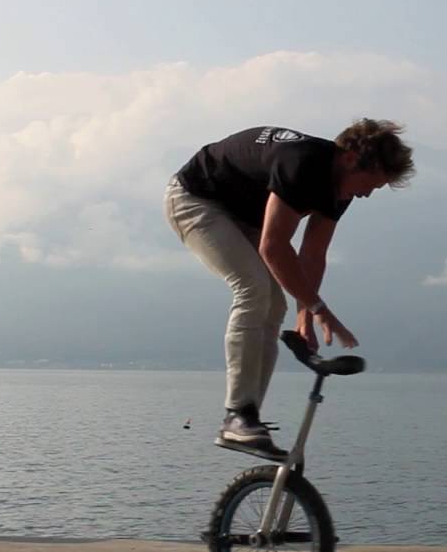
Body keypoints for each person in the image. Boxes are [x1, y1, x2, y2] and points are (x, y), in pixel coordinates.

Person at [164, 119, 415, 460]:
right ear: (352, 159)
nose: (368, 194)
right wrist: (320, 310)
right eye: (372, 183)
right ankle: (237, 416)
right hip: (196, 199)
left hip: (246, 216)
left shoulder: (340, 186)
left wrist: (304, 316)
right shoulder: (302, 163)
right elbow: (274, 247)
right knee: (253, 289)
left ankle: (246, 419)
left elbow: (312, 254)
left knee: (274, 304)